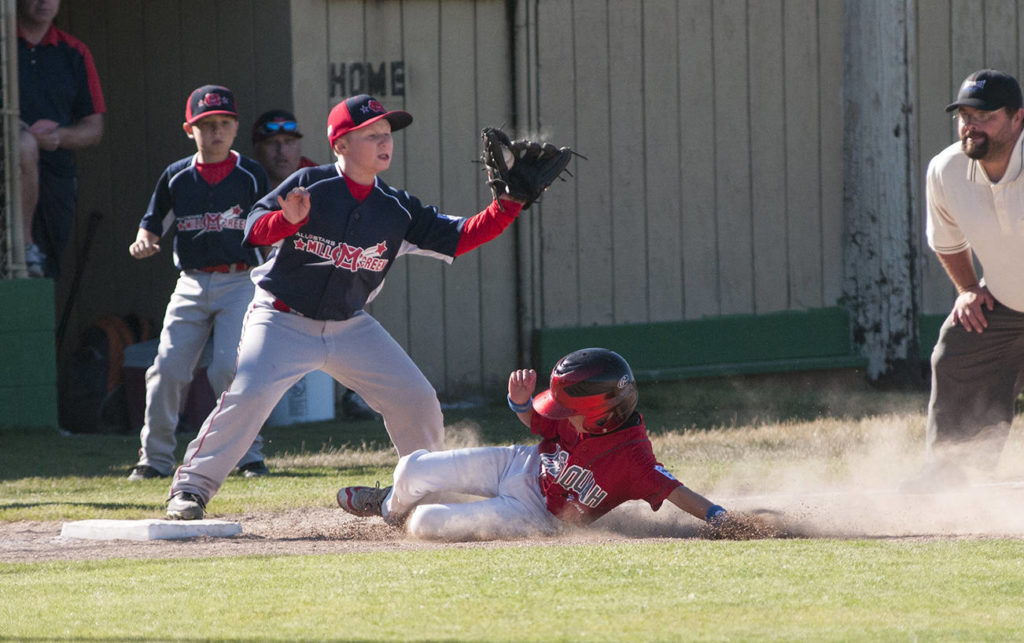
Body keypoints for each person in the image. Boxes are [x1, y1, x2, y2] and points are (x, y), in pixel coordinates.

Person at [165, 94, 536, 520]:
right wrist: (286, 221)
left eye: (387, 134)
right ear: (340, 144)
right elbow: (254, 229)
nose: (385, 141)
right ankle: (190, 489)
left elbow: (461, 235)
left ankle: (424, 495)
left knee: (416, 400)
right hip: (282, 318)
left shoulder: (396, 208)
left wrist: (508, 206)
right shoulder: (312, 185)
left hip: (350, 326)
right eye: (371, 134)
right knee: (248, 394)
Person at [336, 348, 733, 541]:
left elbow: (678, 492)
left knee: (425, 524)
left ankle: (414, 512)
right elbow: (538, 424)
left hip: (537, 513)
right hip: (520, 464)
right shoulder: (580, 418)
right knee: (411, 468)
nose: (559, 413)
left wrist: (722, 519)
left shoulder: (633, 460)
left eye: (568, 407)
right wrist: (521, 404)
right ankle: (389, 507)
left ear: (599, 412)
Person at [127, 85, 270, 482]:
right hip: (190, 283)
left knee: (229, 367)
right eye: (206, 125)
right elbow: (153, 222)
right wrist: (145, 241)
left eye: (223, 123)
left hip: (239, 280)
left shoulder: (249, 173)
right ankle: (154, 459)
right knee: (167, 370)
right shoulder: (177, 176)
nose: (216, 132)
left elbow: (269, 220)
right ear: (190, 130)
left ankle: (248, 455)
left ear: (236, 127)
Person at [905, 69, 1024, 491]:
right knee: (955, 352)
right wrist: (970, 289)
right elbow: (946, 240)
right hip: (1006, 303)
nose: (971, 126)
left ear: (1017, 119)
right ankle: (952, 480)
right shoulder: (946, 169)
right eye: (964, 116)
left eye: (985, 116)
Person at [17, 0, 105, 278]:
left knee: (46, 268)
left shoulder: (75, 52)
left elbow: (94, 127)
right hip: (7, 171)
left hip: (56, 175)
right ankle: (24, 243)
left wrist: (58, 137)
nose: (44, 2)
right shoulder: (4, 43)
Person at [251, 109, 318, 190]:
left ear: (299, 146)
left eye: (289, 142)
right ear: (257, 149)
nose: (282, 150)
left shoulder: (318, 180)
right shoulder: (245, 184)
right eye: (272, 142)